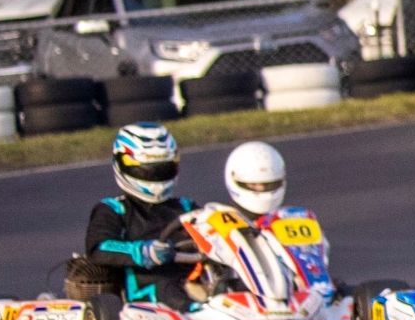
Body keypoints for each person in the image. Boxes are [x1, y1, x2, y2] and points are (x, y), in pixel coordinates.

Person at [84, 123, 198, 309]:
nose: (156, 177)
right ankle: (196, 313)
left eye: (162, 169)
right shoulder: (114, 209)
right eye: (149, 170)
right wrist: (144, 252)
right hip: (146, 294)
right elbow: (99, 248)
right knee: (169, 289)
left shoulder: (186, 207)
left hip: (193, 280)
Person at [224, 141, 287, 220]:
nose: (261, 188)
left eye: (268, 184)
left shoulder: (291, 218)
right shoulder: (215, 223)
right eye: (253, 184)